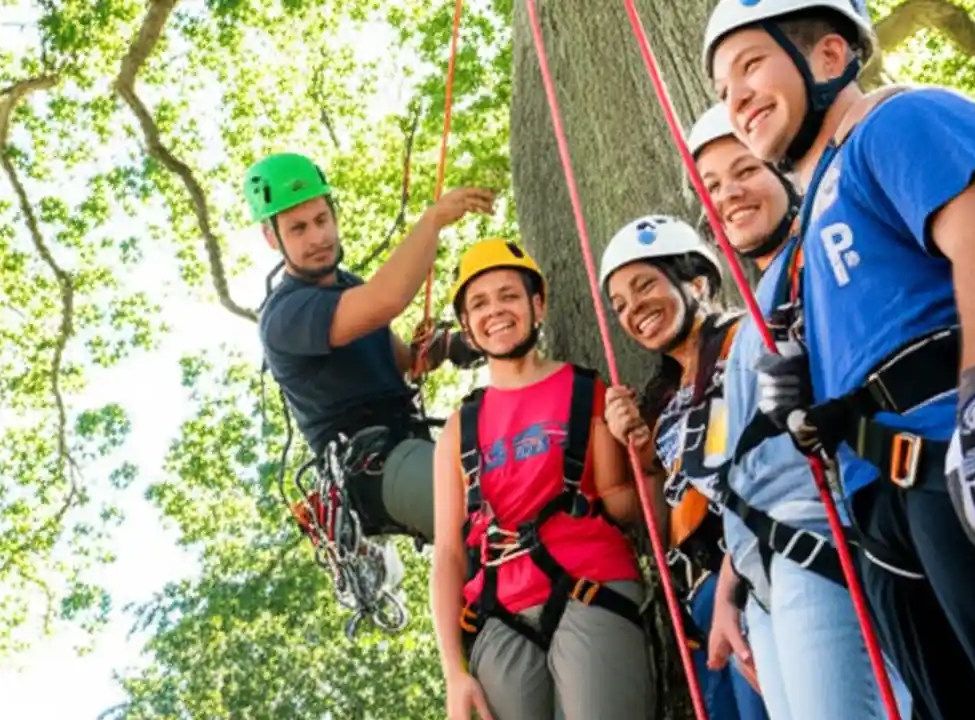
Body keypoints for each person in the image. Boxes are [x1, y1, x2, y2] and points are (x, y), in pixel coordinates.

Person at [703, 1, 975, 718]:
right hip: (887, 514)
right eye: (723, 89)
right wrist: (812, 403)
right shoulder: (812, 232)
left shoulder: (902, 121)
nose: (737, 99)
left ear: (829, 57)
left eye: (751, 65)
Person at [688, 101, 911, 720]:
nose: (729, 194)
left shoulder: (824, 259)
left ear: (785, 171)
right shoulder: (754, 316)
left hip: (829, 543)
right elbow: (751, 466)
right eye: (711, 186)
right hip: (767, 569)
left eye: (745, 171)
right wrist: (732, 590)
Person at [431, 238, 654, 720]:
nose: (497, 311)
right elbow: (448, 552)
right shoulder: (458, 428)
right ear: (467, 328)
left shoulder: (586, 390)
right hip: (497, 614)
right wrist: (454, 671)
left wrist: (635, 444)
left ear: (537, 304)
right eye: (480, 304)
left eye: (509, 295)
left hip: (591, 587)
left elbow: (621, 505)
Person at [250, 151, 490, 545]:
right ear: (271, 237)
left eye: (322, 220)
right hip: (368, 467)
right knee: (481, 505)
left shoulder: (350, 288)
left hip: (406, 443)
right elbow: (386, 299)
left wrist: (451, 344)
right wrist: (432, 221)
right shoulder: (284, 315)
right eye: (298, 229)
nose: (317, 238)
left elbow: (407, 362)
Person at [597, 214, 768, 720]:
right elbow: (656, 521)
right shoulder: (660, 400)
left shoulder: (745, 342)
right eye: (620, 305)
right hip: (699, 596)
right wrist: (640, 458)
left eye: (645, 285)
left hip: (758, 570)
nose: (634, 310)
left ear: (696, 281)